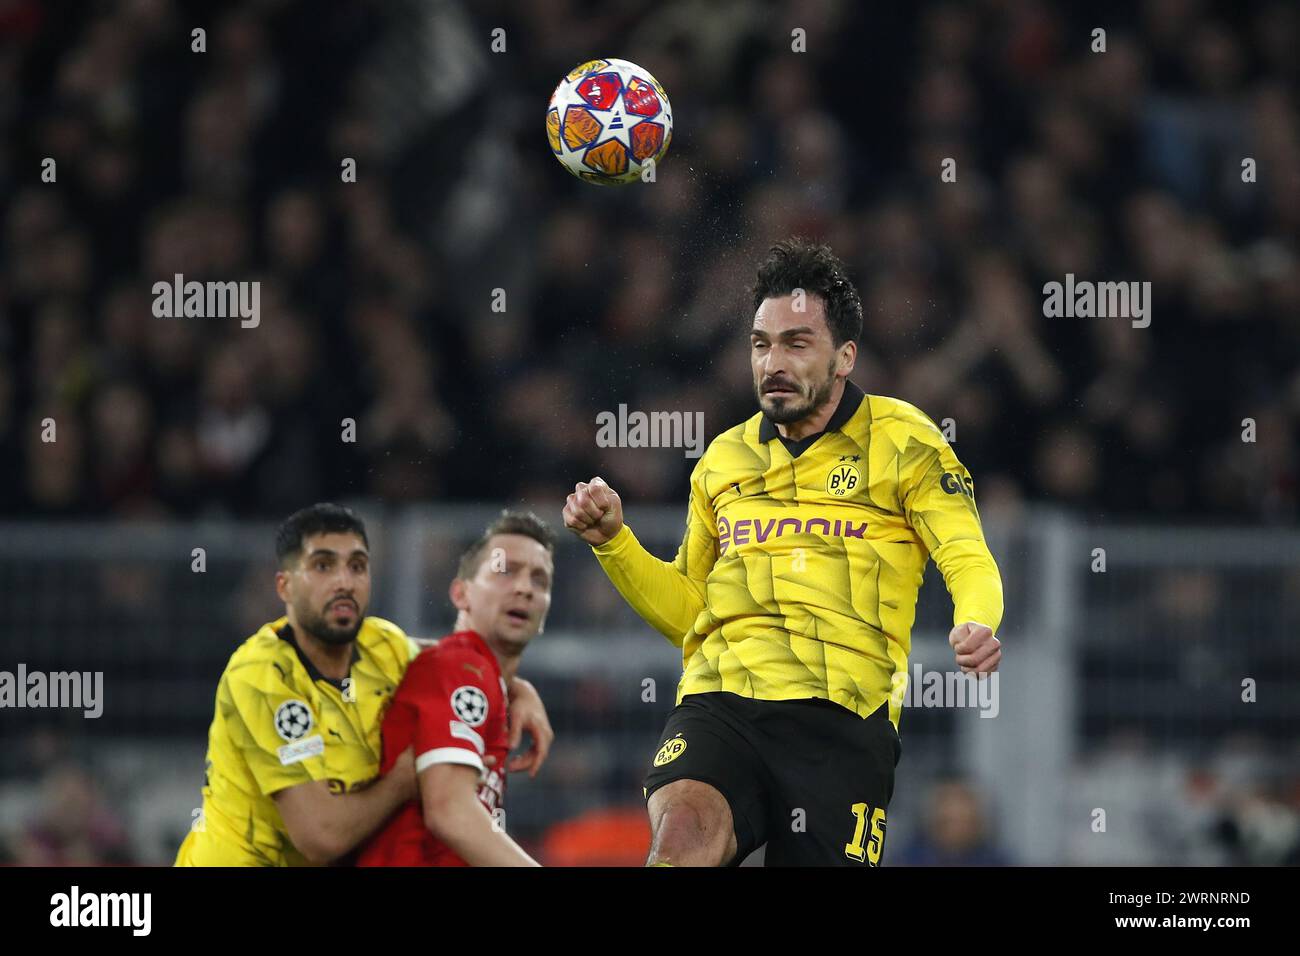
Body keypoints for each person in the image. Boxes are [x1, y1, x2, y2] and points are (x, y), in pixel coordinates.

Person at [563, 237, 1004, 866]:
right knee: (683, 833)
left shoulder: (905, 440)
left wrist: (978, 617)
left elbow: (965, 553)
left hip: (843, 718)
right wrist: (614, 543)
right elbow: (691, 612)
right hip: (722, 702)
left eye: (797, 343)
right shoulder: (723, 459)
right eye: (761, 343)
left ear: (845, 356)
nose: (773, 362)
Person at [175, 503, 553, 866]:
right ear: (285, 586)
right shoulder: (262, 678)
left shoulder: (382, 646)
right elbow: (321, 838)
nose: (344, 581)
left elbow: (456, 664)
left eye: (357, 566)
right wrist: (405, 776)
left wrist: (516, 688)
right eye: (323, 565)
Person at [358, 511, 554, 866]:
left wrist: (515, 687)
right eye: (505, 570)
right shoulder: (462, 667)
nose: (525, 588)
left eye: (539, 581)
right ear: (461, 594)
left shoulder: (481, 678)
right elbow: (449, 811)